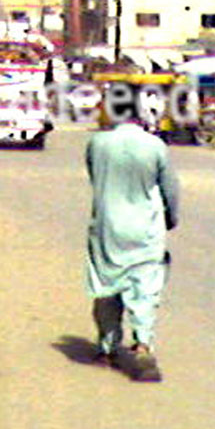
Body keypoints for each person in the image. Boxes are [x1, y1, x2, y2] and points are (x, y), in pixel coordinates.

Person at [85, 85, 181, 382]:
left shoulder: (97, 144)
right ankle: (142, 344)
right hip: (145, 229)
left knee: (107, 287)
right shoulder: (155, 146)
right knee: (145, 288)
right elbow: (170, 189)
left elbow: (94, 178)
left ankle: (107, 347)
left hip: (107, 227)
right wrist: (170, 218)